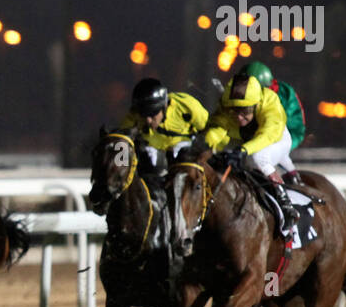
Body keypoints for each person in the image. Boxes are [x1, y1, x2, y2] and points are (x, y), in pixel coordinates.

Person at [202, 74, 299, 237]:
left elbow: (267, 136)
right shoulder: (227, 105)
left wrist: (243, 151)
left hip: (277, 138)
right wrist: (206, 146)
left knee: (257, 158)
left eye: (245, 111)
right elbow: (217, 129)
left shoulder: (270, 103)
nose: (239, 117)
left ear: (256, 104)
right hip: (245, 139)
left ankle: (286, 204)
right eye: (234, 111)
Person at [236, 60, 306, 181]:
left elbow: (273, 132)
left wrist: (247, 148)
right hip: (261, 134)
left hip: (284, 133)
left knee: (258, 158)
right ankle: (292, 173)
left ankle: (282, 192)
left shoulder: (280, 96)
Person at [119, 78, 209, 170]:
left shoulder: (186, 106)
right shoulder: (134, 115)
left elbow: (211, 129)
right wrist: (121, 164)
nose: (148, 121)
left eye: (153, 114)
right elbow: (120, 139)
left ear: (164, 106)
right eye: (144, 114)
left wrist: (200, 147)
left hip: (186, 154)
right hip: (155, 158)